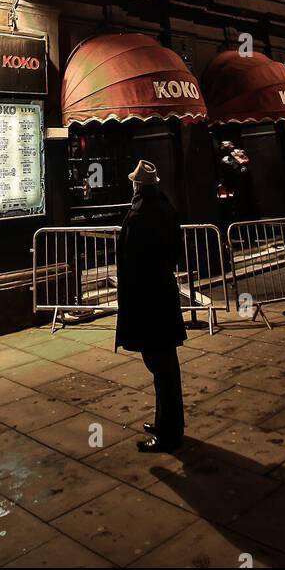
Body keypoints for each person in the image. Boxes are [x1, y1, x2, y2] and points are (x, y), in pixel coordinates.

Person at [115, 160, 186, 453]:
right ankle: (168, 421)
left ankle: (168, 433)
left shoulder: (138, 214)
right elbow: (176, 252)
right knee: (166, 364)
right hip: (164, 293)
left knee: (160, 365)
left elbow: (129, 260)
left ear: (137, 185)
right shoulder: (167, 209)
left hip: (147, 297)